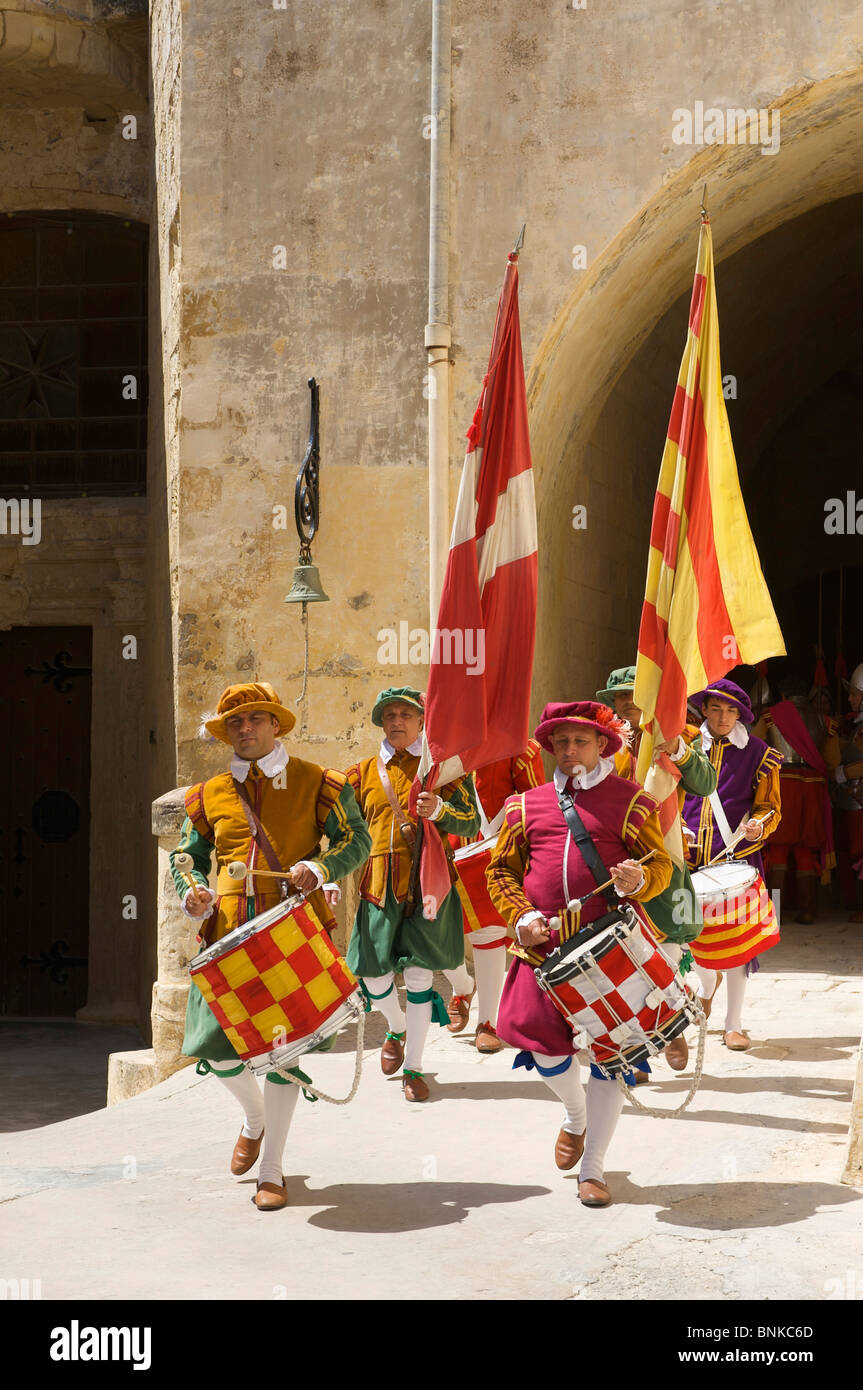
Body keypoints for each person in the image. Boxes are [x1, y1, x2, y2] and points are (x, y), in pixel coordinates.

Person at [170, 682, 371, 1211]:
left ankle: (273, 1169)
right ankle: (254, 1118)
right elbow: (185, 859)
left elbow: (358, 840)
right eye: (235, 722)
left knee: (285, 1052)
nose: (245, 729)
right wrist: (190, 893)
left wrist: (322, 866)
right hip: (227, 932)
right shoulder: (207, 794)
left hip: (291, 929)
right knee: (213, 1045)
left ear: (274, 724)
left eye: (255, 719)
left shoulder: (318, 782)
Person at [487, 701, 672, 1209]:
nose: (570, 751)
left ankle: (593, 1167)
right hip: (541, 950)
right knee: (539, 1042)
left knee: (610, 1059)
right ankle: (575, 1115)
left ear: (601, 747)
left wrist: (642, 878)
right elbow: (500, 871)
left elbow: (660, 868)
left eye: (581, 742)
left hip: (611, 951)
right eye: (562, 742)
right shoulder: (526, 805)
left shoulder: (632, 802)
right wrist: (520, 915)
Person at [344, 687, 480, 1102]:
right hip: (378, 886)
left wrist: (439, 810)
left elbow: (471, 823)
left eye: (406, 714)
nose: (397, 721)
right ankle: (397, 1026)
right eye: (389, 715)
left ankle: (414, 1067)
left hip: (429, 883)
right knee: (372, 975)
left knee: (421, 976)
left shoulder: (445, 770)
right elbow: (346, 833)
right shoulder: (359, 774)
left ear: (422, 721)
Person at [681, 679, 782, 1051]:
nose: (723, 718)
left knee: (739, 946)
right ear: (704, 709)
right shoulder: (685, 747)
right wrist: (674, 826)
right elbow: (667, 795)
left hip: (736, 861)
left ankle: (733, 1023)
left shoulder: (758, 753)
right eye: (716, 709)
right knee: (693, 940)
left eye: (731, 711)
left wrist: (759, 825)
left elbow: (769, 806)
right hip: (688, 860)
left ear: (740, 715)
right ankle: (706, 989)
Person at [443, 740, 546, 1053]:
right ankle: (462, 985)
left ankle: (487, 1022)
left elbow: (533, 804)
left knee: (486, 932)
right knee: (426, 934)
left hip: (491, 850)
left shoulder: (521, 749)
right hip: (442, 847)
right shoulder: (440, 744)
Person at [753, 679, 836, 924]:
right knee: (804, 851)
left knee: (778, 850)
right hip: (812, 787)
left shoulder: (770, 716)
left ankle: (774, 913)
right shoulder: (826, 721)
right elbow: (831, 762)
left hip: (783, 783)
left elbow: (755, 748)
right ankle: (808, 910)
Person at [829, 663, 863, 922]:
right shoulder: (857, 726)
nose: (850, 698)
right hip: (852, 800)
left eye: (854, 693)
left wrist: (843, 773)